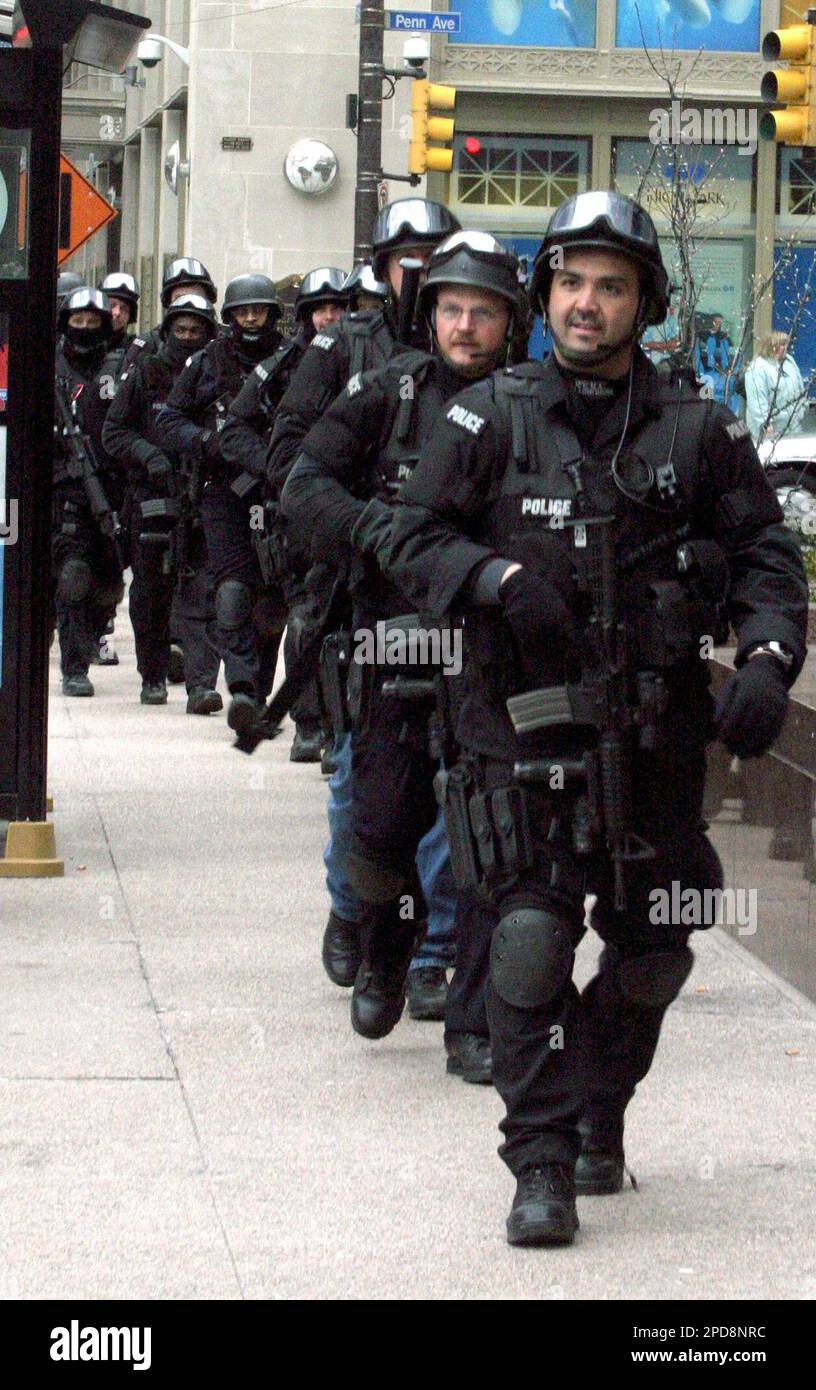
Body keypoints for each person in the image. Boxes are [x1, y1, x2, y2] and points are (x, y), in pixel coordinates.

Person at [386, 190, 808, 1245]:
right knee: (528, 943)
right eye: (570, 281)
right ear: (546, 295)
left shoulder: (697, 428)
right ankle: (539, 1162)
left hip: (658, 738)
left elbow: (766, 556)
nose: (586, 303)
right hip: (519, 736)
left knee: (659, 945)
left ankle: (596, 1113)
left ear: (646, 302)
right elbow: (400, 534)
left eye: (610, 285)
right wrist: (485, 575)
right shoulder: (486, 416)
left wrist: (766, 656)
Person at [281, 231, 525, 1061]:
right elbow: (304, 488)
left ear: (509, 320)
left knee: (487, 829)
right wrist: (375, 530)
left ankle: (462, 999)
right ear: (428, 317)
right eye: (451, 309)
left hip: (494, 649)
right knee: (381, 816)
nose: (465, 327)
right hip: (394, 643)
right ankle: (381, 935)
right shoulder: (386, 394)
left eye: (483, 312)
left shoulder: (534, 403)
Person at [268, 198, 462, 1019]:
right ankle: (356, 906)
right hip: (362, 594)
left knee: (460, 787)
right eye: (403, 256)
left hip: (459, 605)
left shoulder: (486, 350)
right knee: (364, 785)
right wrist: (363, 531)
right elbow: (290, 463)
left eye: (432, 255)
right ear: (380, 268)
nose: (418, 270)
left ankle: (437, 946)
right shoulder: (344, 348)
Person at [219, 267, 348, 763]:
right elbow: (233, 429)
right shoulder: (281, 365)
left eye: (338, 306)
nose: (330, 316)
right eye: (321, 308)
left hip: (357, 506)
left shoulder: (370, 357)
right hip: (297, 511)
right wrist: (282, 470)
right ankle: (309, 724)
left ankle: (344, 730)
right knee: (306, 617)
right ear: (305, 315)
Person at [156, 274, 289, 731]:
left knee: (272, 605)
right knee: (233, 592)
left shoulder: (293, 360)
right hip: (225, 492)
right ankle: (244, 690)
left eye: (259, 310)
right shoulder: (209, 361)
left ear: (273, 313)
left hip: (279, 489)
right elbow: (167, 419)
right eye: (242, 311)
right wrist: (207, 442)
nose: (251, 318)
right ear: (229, 316)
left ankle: (261, 687)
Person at [102, 293, 222, 710]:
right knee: (151, 591)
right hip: (152, 496)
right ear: (168, 330)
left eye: (196, 331)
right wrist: (147, 454)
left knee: (202, 590)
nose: (188, 338)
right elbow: (113, 431)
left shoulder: (217, 374)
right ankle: (152, 674)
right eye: (181, 330)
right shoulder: (146, 372)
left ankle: (201, 683)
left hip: (204, 494)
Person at [53, 287, 127, 696]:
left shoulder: (121, 367)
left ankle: (95, 634)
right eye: (76, 322)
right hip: (65, 493)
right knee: (74, 576)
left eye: (91, 322)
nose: (84, 329)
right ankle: (74, 667)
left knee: (110, 585)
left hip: (112, 490)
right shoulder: (51, 368)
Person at [121, 257, 218, 373]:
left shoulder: (222, 342)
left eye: (195, 298)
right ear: (169, 303)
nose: (188, 306)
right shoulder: (148, 345)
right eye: (179, 299)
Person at [744, 330, 809, 446]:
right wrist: (766, 425)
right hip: (770, 433)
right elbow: (757, 402)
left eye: (786, 344)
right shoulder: (757, 368)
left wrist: (802, 409)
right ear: (772, 346)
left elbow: (800, 388)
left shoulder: (789, 361)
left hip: (794, 428)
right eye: (782, 344)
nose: (785, 348)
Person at [694, 311, 740, 408]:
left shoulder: (724, 339)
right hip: (707, 375)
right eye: (716, 322)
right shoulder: (703, 337)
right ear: (711, 322)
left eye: (720, 322)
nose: (718, 325)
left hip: (721, 378)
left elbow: (729, 356)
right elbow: (699, 357)